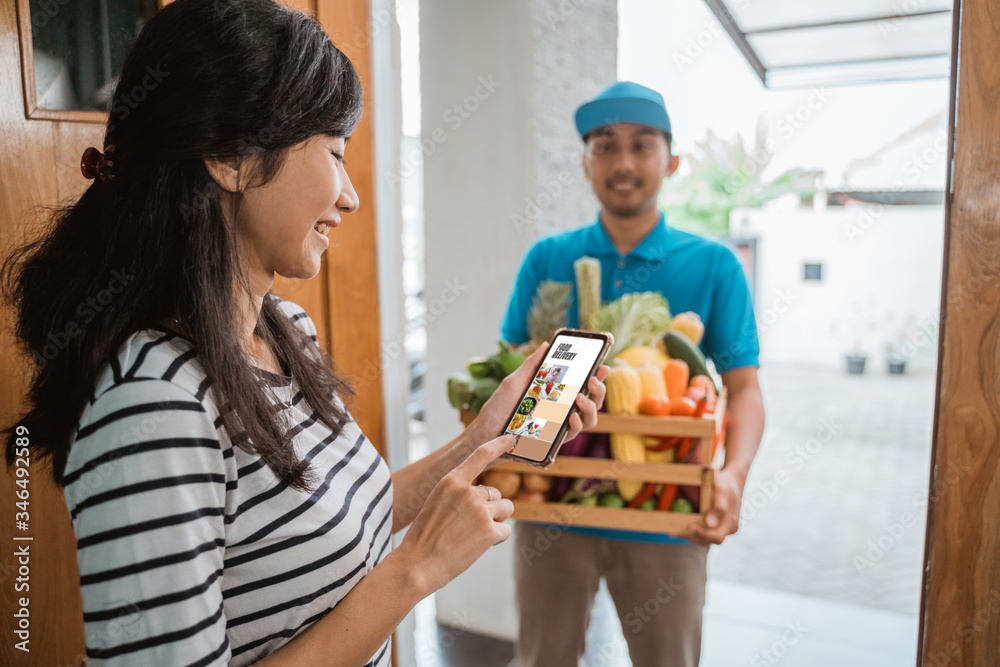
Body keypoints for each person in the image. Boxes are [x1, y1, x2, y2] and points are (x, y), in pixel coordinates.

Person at [0, 2, 610, 665]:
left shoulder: (286, 328)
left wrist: (481, 438)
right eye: (333, 152)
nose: (349, 195)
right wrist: (414, 572)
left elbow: (349, 512)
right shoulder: (153, 404)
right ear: (230, 157)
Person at [500, 81, 766, 667]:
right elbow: (506, 372)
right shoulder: (548, 259)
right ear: (585, 161)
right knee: (542, 658)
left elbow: (745, 389)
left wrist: (734, 476)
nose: (623, 162)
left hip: (667, 509)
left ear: (670, 161)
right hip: (554, 504)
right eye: (605, 145)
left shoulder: (713, 265)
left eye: (642, 145)